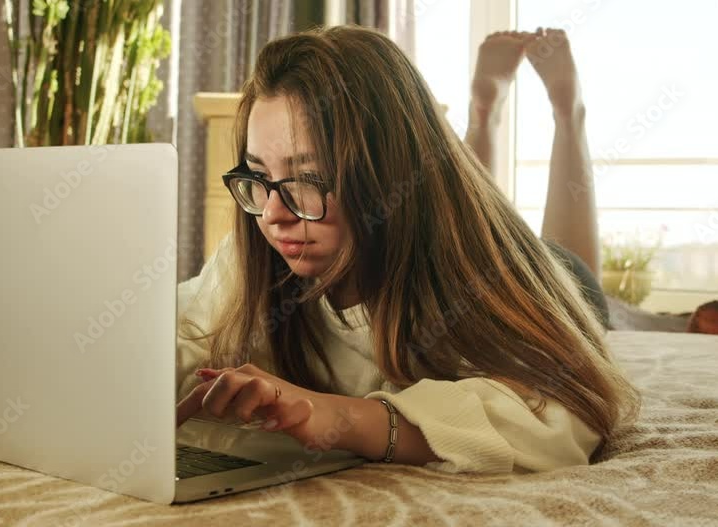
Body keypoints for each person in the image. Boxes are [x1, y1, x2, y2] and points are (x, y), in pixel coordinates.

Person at [174, 25, 639, 474]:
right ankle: (485, 111)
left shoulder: (472, 275)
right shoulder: (255, 250)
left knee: (571, 267)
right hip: (449, 217)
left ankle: (565, 113)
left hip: (537, 270)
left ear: (387, 178)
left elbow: (565, 410)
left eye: (309, 180)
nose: (274, 215)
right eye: (258, 176)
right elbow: (181, 333)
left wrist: (343, 418)